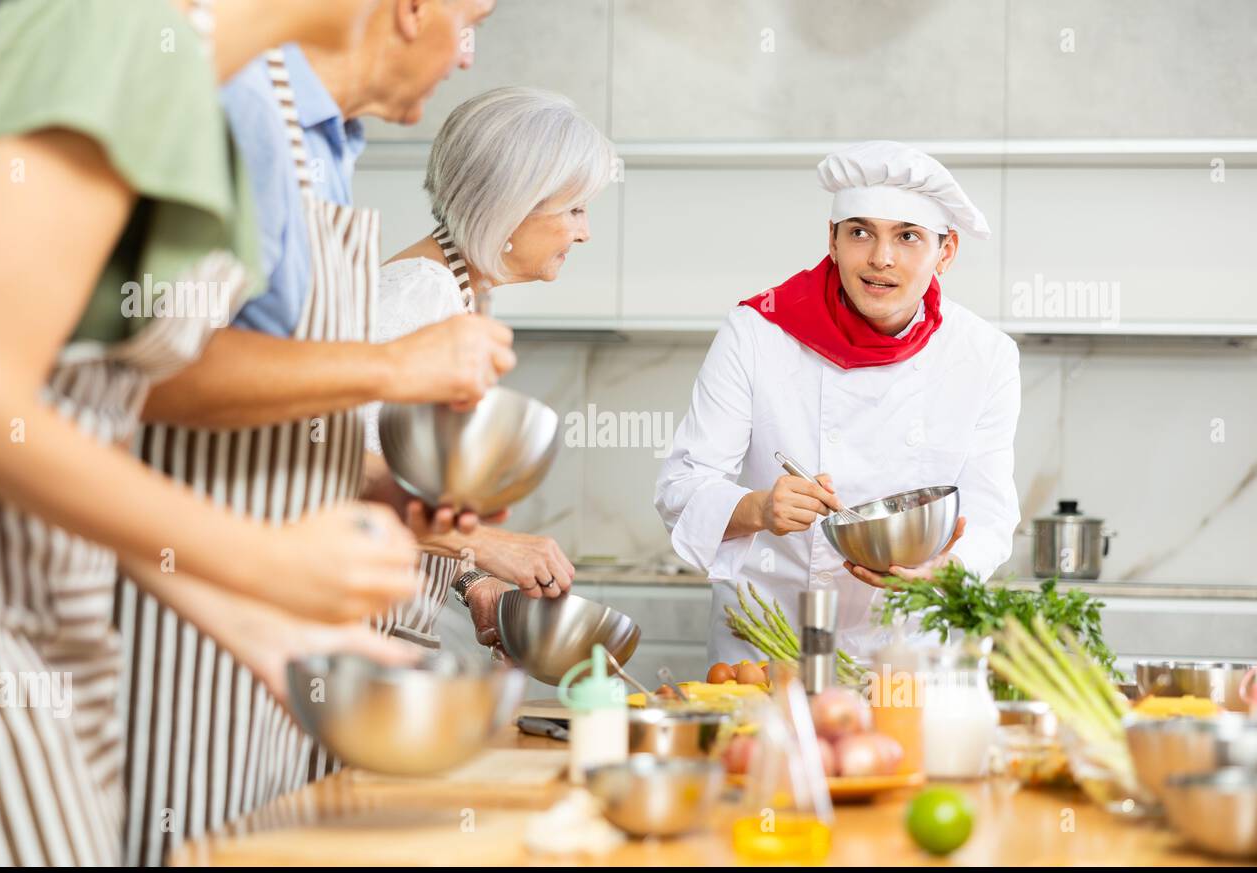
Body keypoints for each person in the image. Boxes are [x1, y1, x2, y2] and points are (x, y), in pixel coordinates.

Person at [0, 0, 416, 867]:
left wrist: (261, 627)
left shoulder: (192, 86)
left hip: (54, 624)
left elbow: (70, 416)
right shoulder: (115, 29)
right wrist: (266, 559)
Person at [117, 0, 500, 867]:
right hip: (188, 620)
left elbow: (274, 402)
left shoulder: (328, 146)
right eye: (470, 20)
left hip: (276, 629)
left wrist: (380, 490)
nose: (469, 56)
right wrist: (395, 366)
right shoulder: (245, 102)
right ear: (410, 10)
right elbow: (159, 369)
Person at [655, 141, 1021, 663]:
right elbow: (680, 487)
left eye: (908, 236)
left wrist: (951, 569)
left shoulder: (984, 356)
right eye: (859, 232)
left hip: (905, 649)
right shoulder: (757, 333)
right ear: (832, 239)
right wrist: (757, 507)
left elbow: (989, 512)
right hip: (767, 643)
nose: (881, 258)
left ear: (947, 251)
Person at [373, 86, 615, 648]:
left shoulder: (458, 295)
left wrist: (472, 580)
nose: (585, 232)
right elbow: (336, 470)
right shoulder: (417, 296)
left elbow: (404, 479)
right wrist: (483, 543)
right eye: (575, 210)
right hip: (338, 628)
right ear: (513, 203)